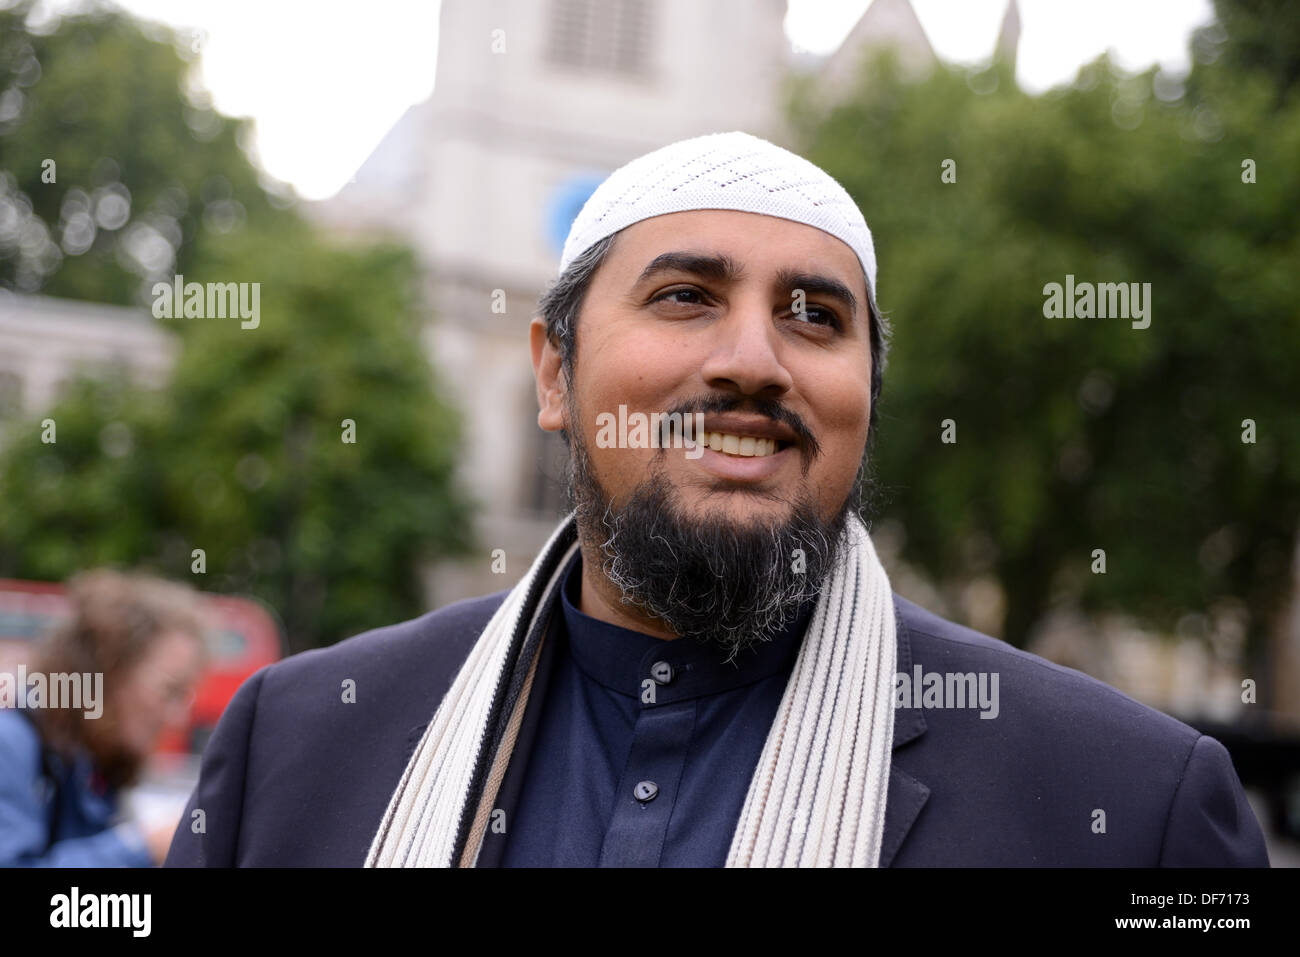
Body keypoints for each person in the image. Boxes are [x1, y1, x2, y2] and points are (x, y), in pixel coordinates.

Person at [165, 130, 1269, 867]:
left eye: (816, 317)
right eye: (685, 296)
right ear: (554, 373)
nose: (754, 359)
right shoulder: (299, 748)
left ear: (866, 398)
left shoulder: (1129, 807)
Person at [0, 570, 207, 866]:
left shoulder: (86, 760)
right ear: (109, 674)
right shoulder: (11, 743)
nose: (177, 717)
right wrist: (143, 846)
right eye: (169, 691)